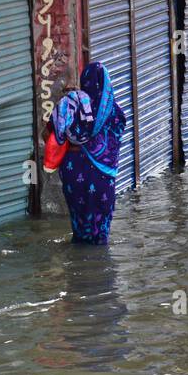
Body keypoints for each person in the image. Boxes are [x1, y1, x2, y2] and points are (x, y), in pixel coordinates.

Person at [46, 63, 128, 244]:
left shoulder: (72, 104)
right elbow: (118, 130)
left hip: (72, 169)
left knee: (79, 223)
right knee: (101, 228)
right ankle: (97, 266)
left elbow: (51, 130)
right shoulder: (113, 111)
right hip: (101, 175)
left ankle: (79, 259)